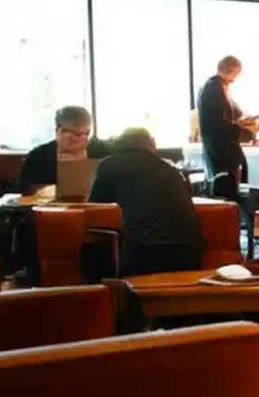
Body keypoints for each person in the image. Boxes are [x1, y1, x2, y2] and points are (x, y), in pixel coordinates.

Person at [88, 128, 202, 278]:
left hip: (142, 261)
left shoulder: (109, 166)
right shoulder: (171, 170)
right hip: (188, 259)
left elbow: (94, 213)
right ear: (151, 145)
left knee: (92, 244)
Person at [17, 106, 110, 195]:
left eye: (85, 134)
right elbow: (24, 191)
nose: (79, 140)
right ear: (58, 131)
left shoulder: (101, 153)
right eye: (74, 135)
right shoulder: (37, 157)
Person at [197, 56, 248, 202]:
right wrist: (241, 130)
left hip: (217, 150)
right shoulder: (214, 90)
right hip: (221, 152)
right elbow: (218, 123)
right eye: (237, 73)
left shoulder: (214, 88)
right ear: (230, 70)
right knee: (226, 193)